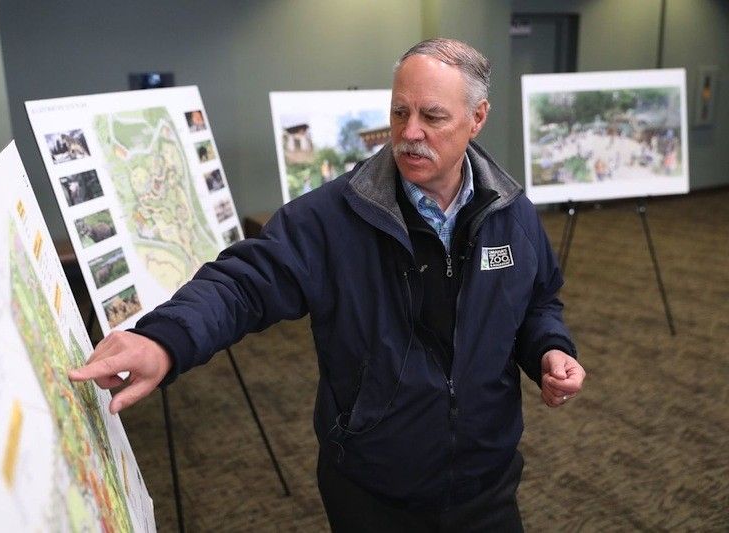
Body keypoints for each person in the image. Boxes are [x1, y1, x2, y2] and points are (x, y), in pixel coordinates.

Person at [69, 38, 585, 532]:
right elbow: (242, 284)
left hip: (486, 482)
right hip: (374, 488)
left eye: (432, 117)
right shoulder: (332, 217)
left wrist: (549, 348)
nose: (409, 132)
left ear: (477, 118)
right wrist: (164, 340)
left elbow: (538, 300)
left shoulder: (510, 212)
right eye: (399, 112)